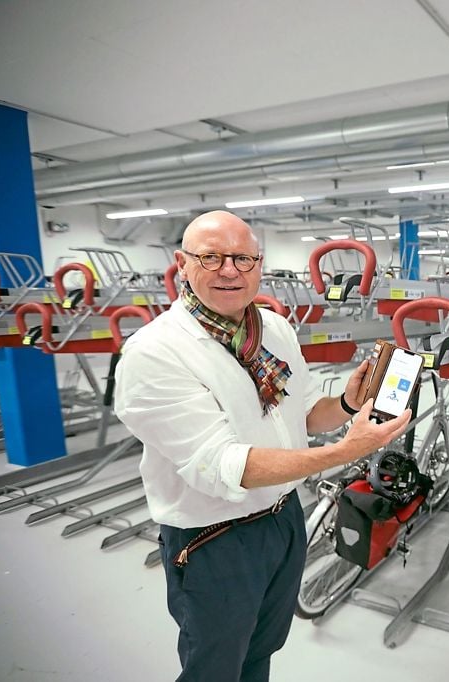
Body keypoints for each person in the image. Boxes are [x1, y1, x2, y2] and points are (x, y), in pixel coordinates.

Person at [114, 210, 411, 681]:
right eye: (211, 258)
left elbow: (308, 413)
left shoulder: (272, 328)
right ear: (181, 263)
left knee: (260, 653)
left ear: (259, 264)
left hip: (284, 518)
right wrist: (347, 452)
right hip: (215, 539)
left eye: (243, 258)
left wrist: (352, 403)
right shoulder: (155, 353)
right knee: (214, 667)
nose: (229, 270)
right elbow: (225, 465)